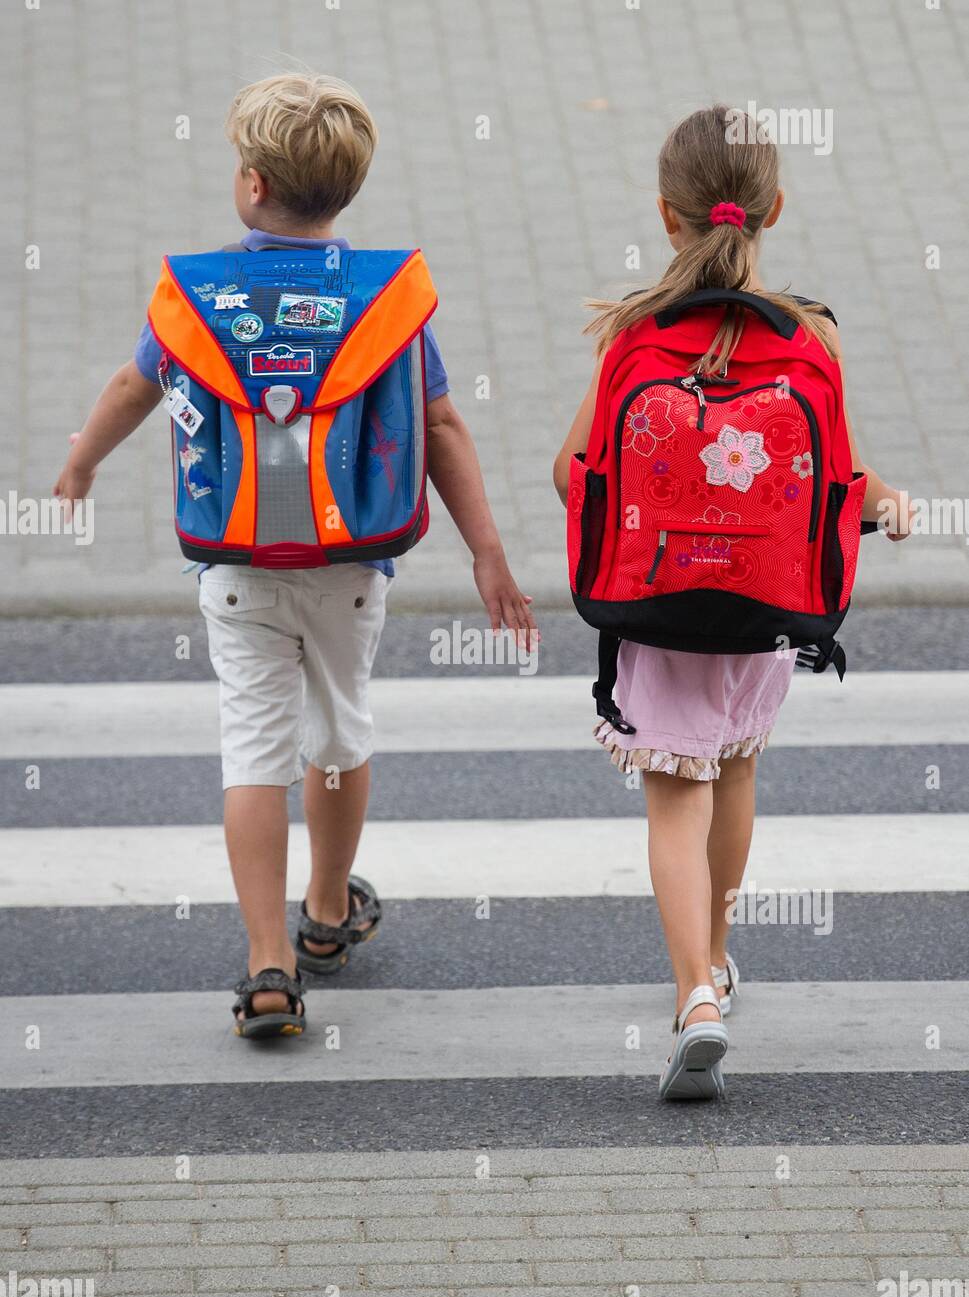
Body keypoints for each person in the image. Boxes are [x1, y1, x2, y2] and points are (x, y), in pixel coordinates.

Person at [55, 72, 536, 1038]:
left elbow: (132, 385)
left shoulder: (200, 295)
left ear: (252, 189)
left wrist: (78, 464)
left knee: (253, 752)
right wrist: (488, 550)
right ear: (347, 192)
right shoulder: (387, 300)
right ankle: (325, 915)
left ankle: (268, 963)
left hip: (235, 566)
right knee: (340, 729)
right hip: (351, 564)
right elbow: (439, 424)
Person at [554, 105, 911, 1098]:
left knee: (675, 800)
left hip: (660, 610)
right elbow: (846, 480)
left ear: (666, 218)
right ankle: (715, 953)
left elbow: (569, 468)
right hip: (765, 615)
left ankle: (693, 999)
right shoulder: (814, 335)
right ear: (775, 211)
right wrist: (894, 507)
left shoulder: (633, 332)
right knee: (737, 775)